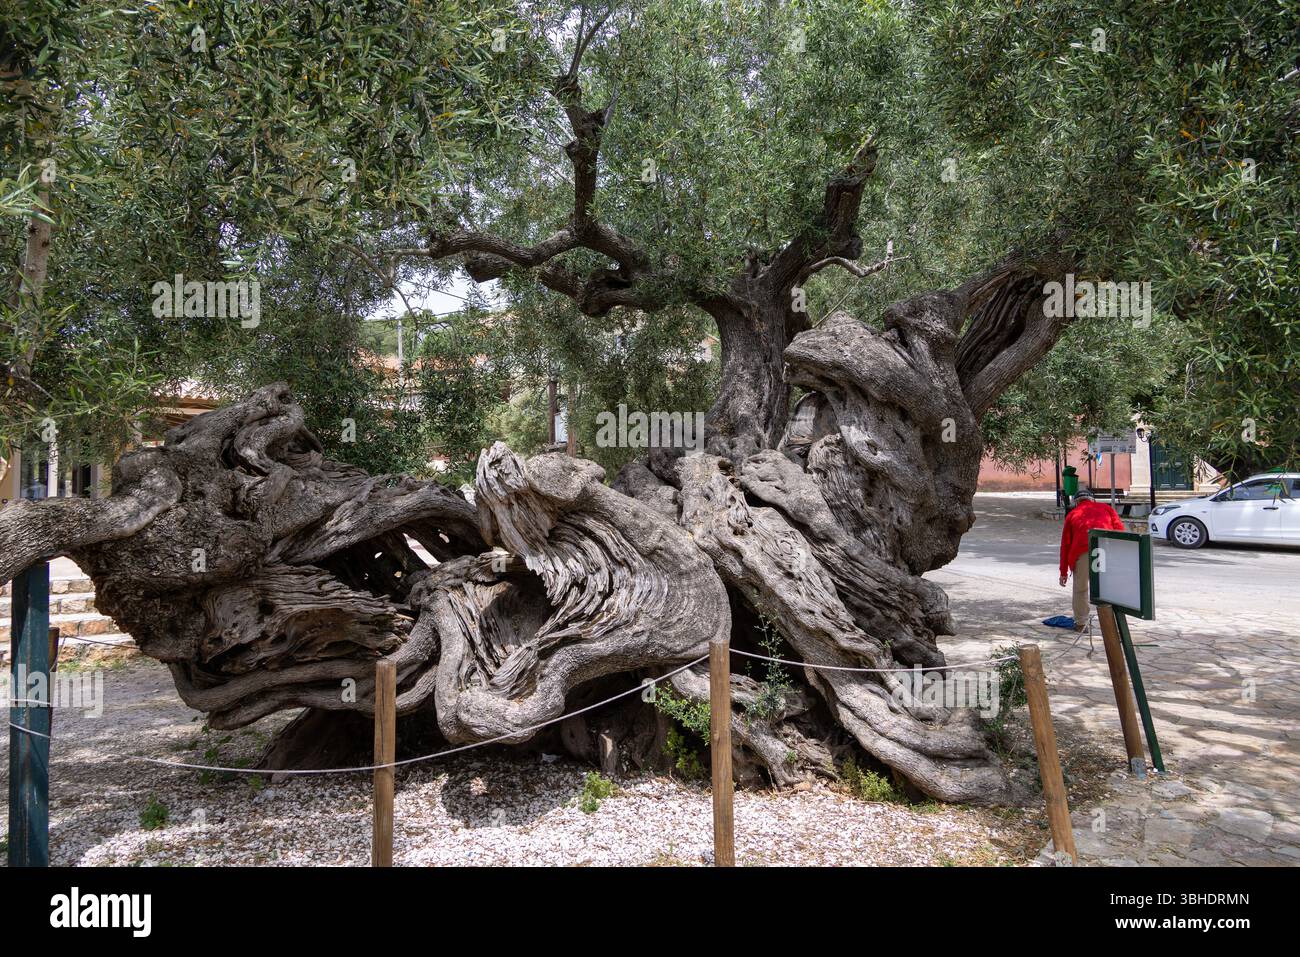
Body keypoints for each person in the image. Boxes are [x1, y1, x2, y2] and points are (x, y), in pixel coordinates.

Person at [1059, 488, 1125, 632]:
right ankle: (1110, 623)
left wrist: (1063, 572)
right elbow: (1119, 530)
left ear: (1076, 502)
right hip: (1104, 550)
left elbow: (1065, 545)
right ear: (1092, 499)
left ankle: (1081, 623)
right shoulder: (1107, 509)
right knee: (1106, 588)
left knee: (1080, 588)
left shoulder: (1072, 514)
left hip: (1081, 552)